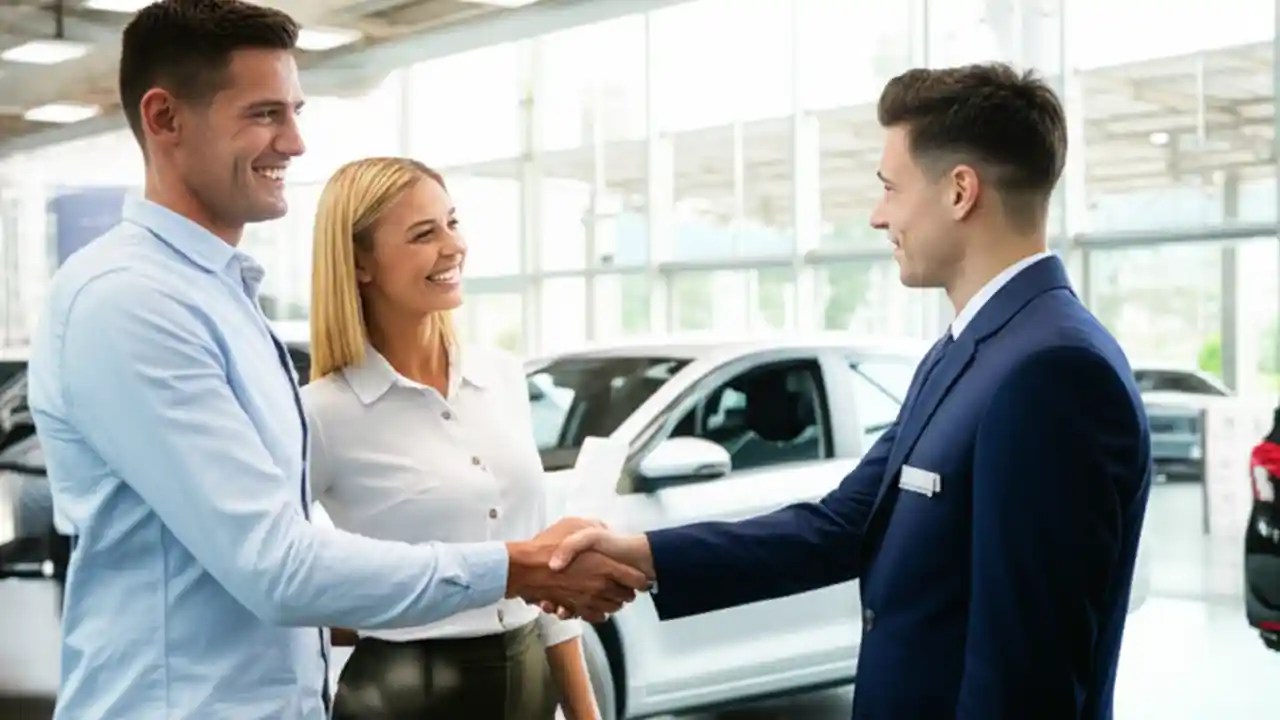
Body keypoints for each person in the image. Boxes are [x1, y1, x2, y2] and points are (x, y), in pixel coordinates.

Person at [24, 2, 645, 719]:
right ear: (165, 119)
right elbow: (278, 566)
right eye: (264, 114)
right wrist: (517, 566)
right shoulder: (130, 302)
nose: (294, 142)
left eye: (295, 112)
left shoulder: (221, 300)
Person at [549, 63, 1153, 720]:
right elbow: (843, 525)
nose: (877, 215)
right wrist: (643, 556)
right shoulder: (968, 349)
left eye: (891, 188)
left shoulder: (1052, 371)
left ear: (960, 192)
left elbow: (1028, 677)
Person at [302, 156, 597, 719]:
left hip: (530, 686)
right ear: (359, 263)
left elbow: (545, 574)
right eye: (423, 234)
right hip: (404, 700)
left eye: (452, 223)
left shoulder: (501, 376)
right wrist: (372, 612)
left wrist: (587, 715)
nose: (454, 246)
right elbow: (275, 578)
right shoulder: (320, 413)